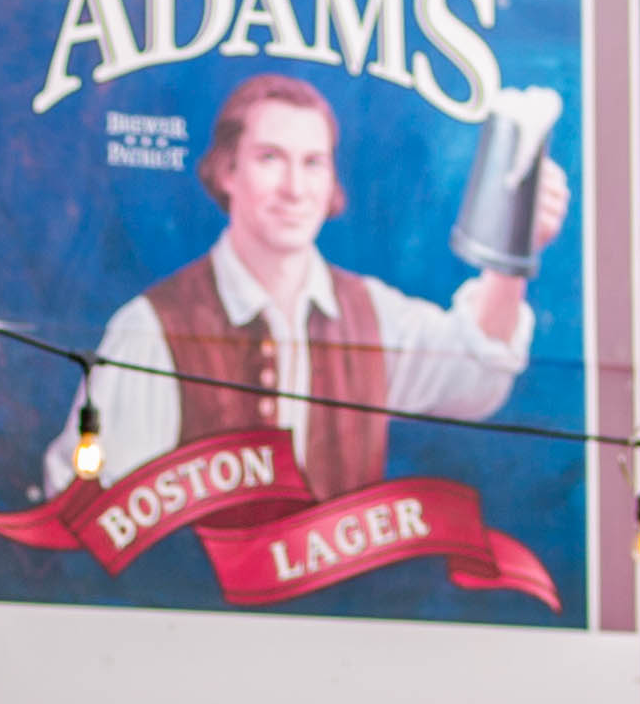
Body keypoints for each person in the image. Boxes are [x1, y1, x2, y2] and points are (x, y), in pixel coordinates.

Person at [36, 73, 565, 499]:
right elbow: (85, 504)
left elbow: (475, 379)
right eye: (271, 158)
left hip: (343, 621)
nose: (294, 188)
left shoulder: (371, 315)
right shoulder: (152, 328)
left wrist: (514, 250)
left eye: (313, 163)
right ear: (226, 171)